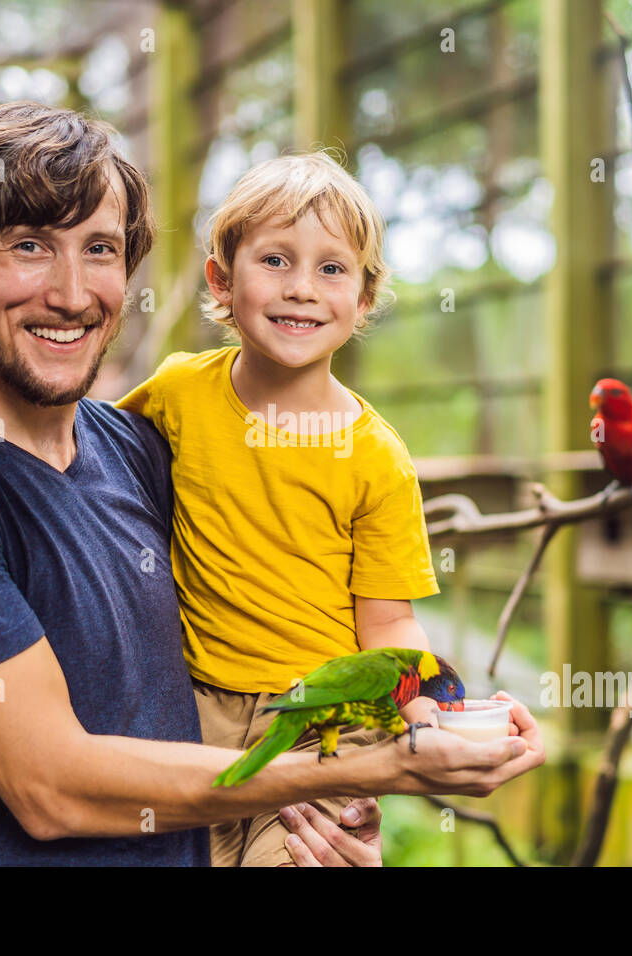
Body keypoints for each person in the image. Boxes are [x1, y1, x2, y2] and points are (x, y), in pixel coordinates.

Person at [0, 101, 544, 866]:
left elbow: (299, 571)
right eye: (30, 246)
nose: (73, 293)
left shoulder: (138, 445)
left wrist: (335, 813)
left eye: (100, 249)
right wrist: (375, 767)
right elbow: (52, 788)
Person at [115, 152, 489, 866]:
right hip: (188, 709)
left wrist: (427, 715)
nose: (302, 290)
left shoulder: (377, 457)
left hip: (325, 725)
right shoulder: (177, 393)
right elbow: (91, 478)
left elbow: (386, 620)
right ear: (222, 280)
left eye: (331, 269)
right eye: (276, 260)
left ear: (366, 296)